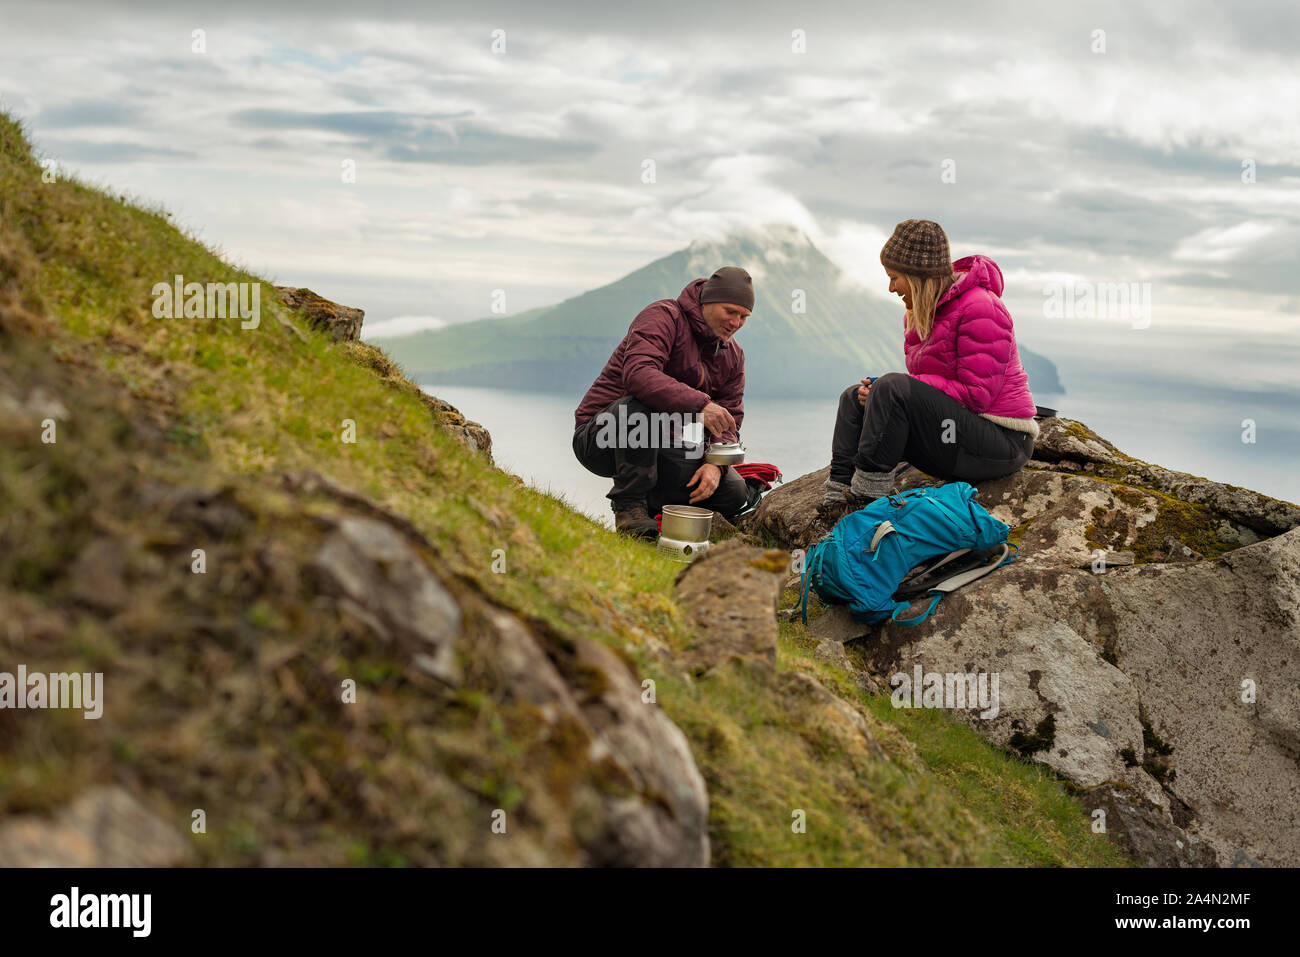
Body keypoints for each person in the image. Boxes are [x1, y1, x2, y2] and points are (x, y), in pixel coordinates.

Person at [821, 219, 1039, 516]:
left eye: (895, 277)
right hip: (957, 437)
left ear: (917, 276)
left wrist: (892, 387)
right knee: (854, 397)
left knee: (890, 387)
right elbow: (926, 389)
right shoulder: (921, 314)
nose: (890, 288)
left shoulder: (981, 307)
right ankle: (835, 502)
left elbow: (978, 395)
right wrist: (882, 392)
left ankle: (866, 502)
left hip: (1001, 444)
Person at [573, 266, 752, 539]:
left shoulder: (733, 355)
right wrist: (700, 405)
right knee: (640, 408)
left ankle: (657, 512)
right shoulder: (663, 317)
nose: (736, 322)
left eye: (744, 316)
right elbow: (638, 374)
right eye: (730, 311)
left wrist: (716, 465)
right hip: (605, 434)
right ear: (707, 300)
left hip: (664, 445)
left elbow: (729, 419)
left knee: (733, 491)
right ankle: (630, 510)